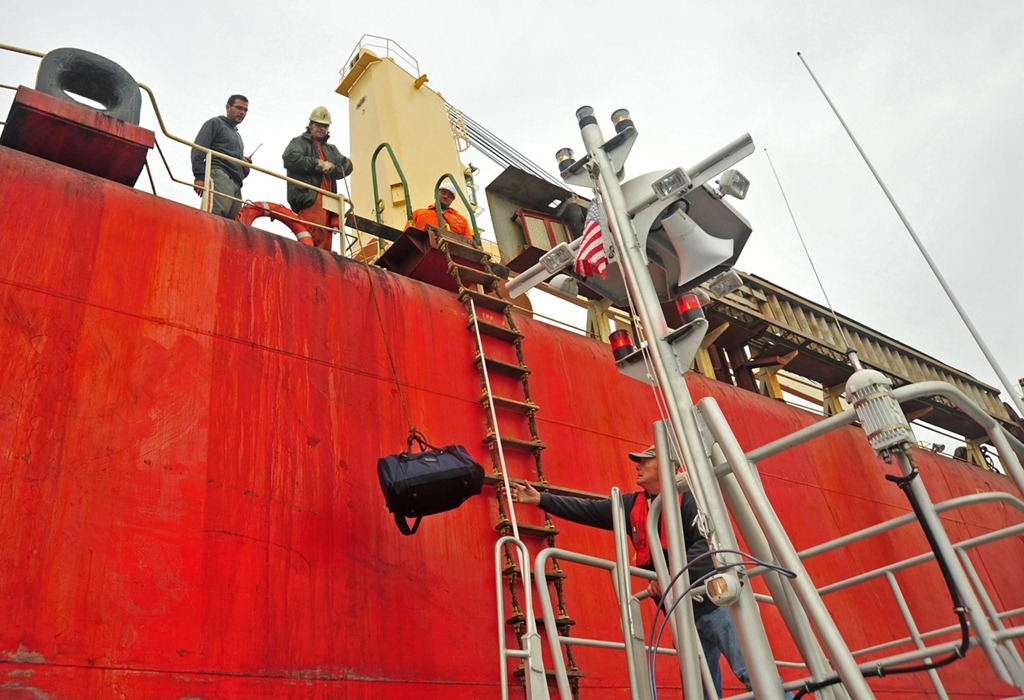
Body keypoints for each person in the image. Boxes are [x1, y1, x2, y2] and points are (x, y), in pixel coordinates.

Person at [512, 446, 781, 699]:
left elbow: (708, 546)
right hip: (680, 612)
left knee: (751, 672)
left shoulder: (689, 498)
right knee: (699, 690)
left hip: (716, 604)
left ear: (667, 465)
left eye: (644, 461)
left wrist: (667, 577)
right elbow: (589, 510)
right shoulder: (632, 506)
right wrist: (540, 500)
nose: (637, 466)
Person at [282, 106, 353, 251]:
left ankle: (322, 266)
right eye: (318, 125)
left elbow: (345, 169)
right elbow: (289, 158)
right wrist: (317, 164)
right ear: (310, 125)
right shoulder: (299, 142)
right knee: (313, 237)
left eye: (325, 126)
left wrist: (342, 166)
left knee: (326, 241)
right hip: (310, 198)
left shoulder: (331, 149)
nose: (322, 128)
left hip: (329, 203)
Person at [191, 94, 251, 220]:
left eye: (245, 110)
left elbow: (239, 169)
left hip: (236, 184)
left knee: (234, 224)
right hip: (219, 175)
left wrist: (245, 168)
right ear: (228, 107)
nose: (242, 112)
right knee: (214, 218)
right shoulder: (215, 123)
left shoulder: (238, 137)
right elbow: (198, 149)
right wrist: (199, 176)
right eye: (239, 108)